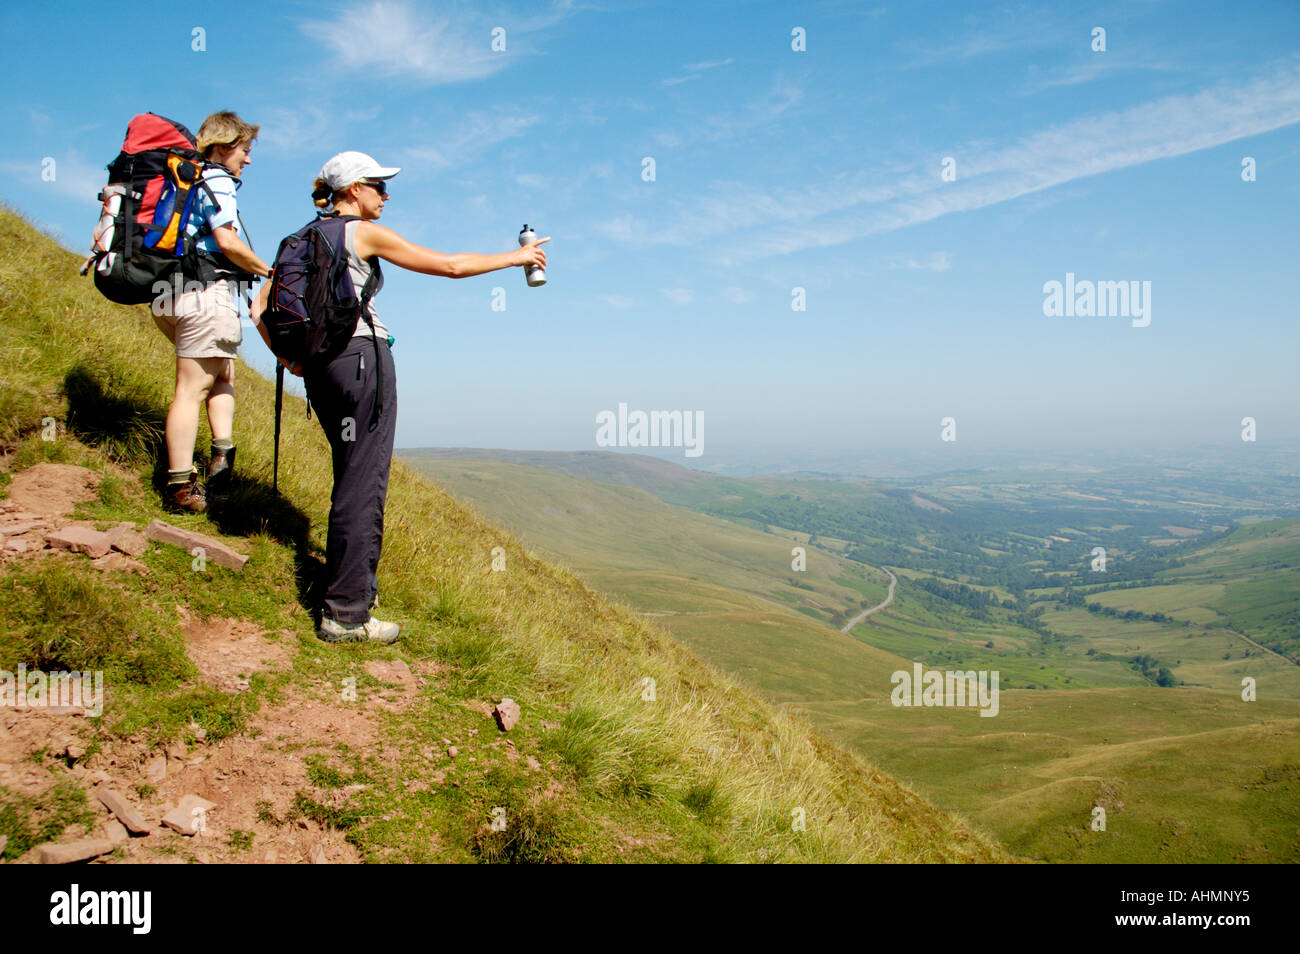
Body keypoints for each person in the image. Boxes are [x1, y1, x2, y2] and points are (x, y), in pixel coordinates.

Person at [257, 151, 548, 644]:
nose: (386, 195)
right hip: (364, 360)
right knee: (362, 482)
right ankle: (346, 615)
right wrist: (517, 257)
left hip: (322, 371)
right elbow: (450, 266)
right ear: (352, 190)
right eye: (378, 186)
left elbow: (261, 307)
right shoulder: (359, 232)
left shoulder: (301, 238)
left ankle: (350, 596)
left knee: (350, 475)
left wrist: (296, 363)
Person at [153, 111, 273, 512]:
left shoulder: (181, 178)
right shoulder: (217, 179)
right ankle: (180, 488)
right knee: (190, 390)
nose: (249, 159)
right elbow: (227, 241)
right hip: (203, 293)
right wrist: (269, 270)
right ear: (223, 146)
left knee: (222, 371)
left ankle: (222, 460)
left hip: (166, 293)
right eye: (245, 149)